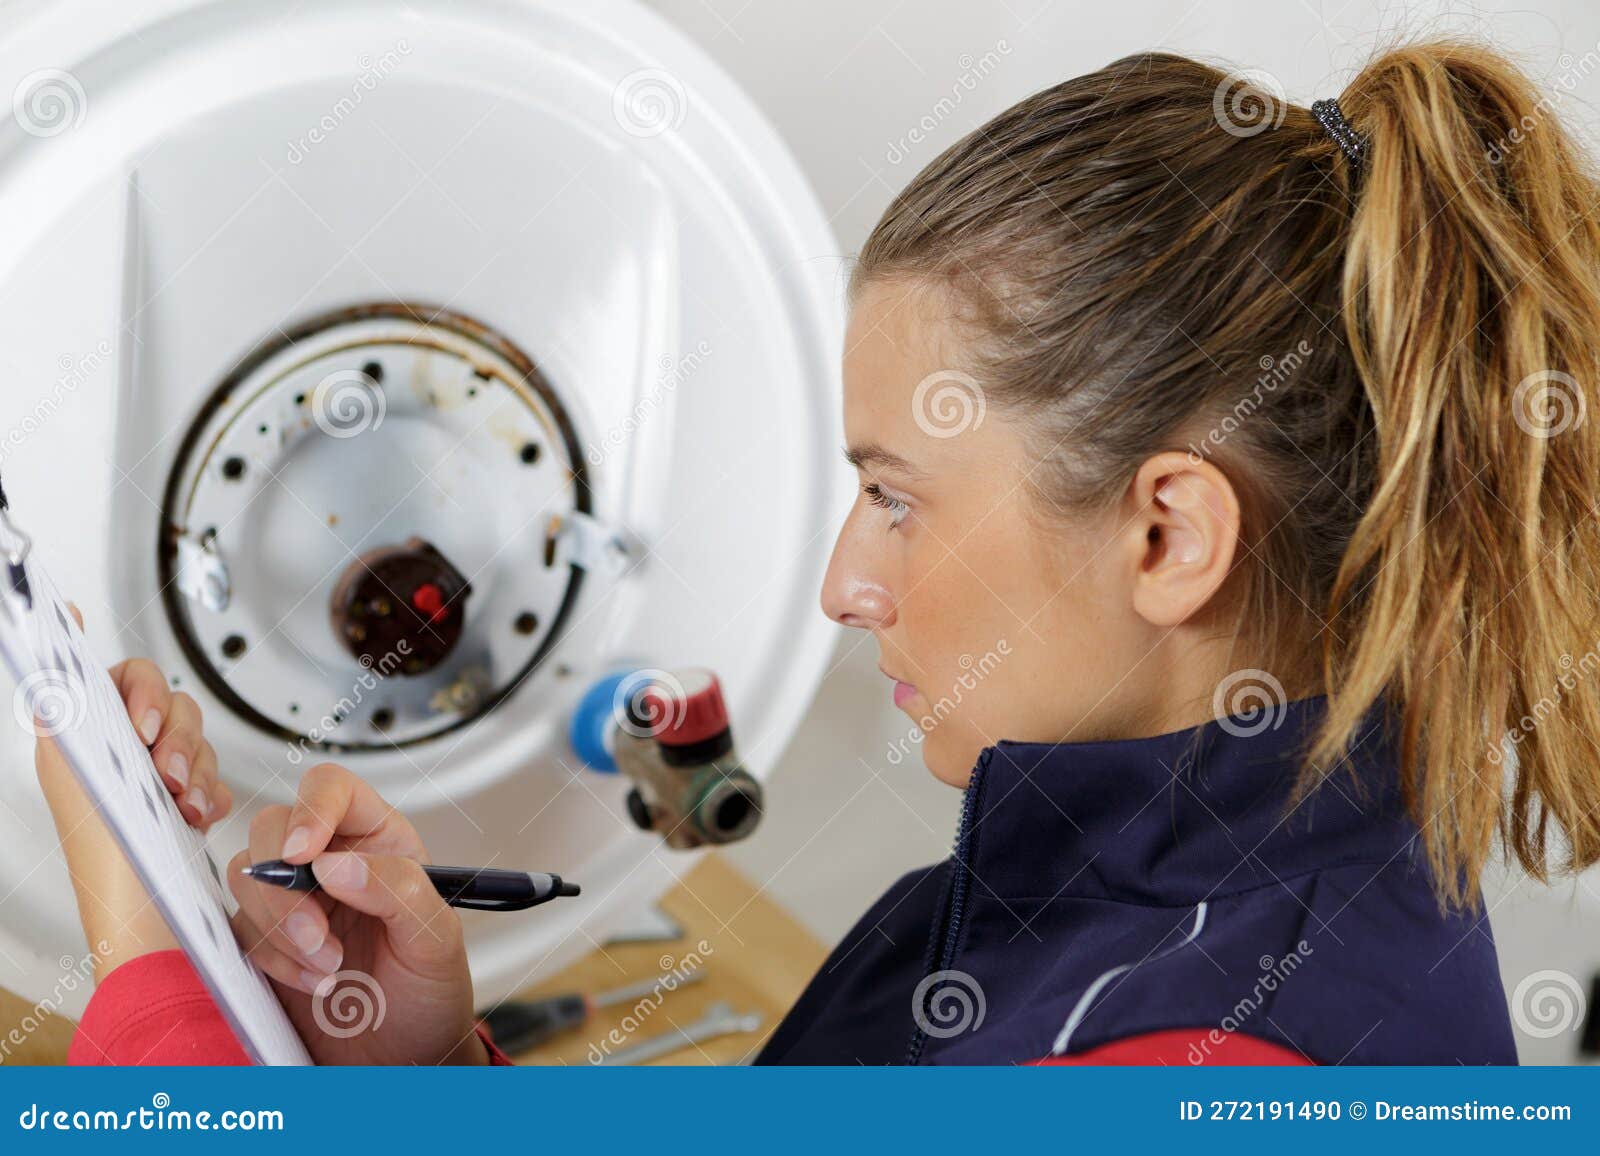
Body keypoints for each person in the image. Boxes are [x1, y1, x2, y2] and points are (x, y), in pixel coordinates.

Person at [38, 38, 1600, 1065]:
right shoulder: (1138, 887)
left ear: (1167, 532)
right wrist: (431, 1065)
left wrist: (144, 968)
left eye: (899, 497)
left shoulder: (1198, 1059)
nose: (847, 585)